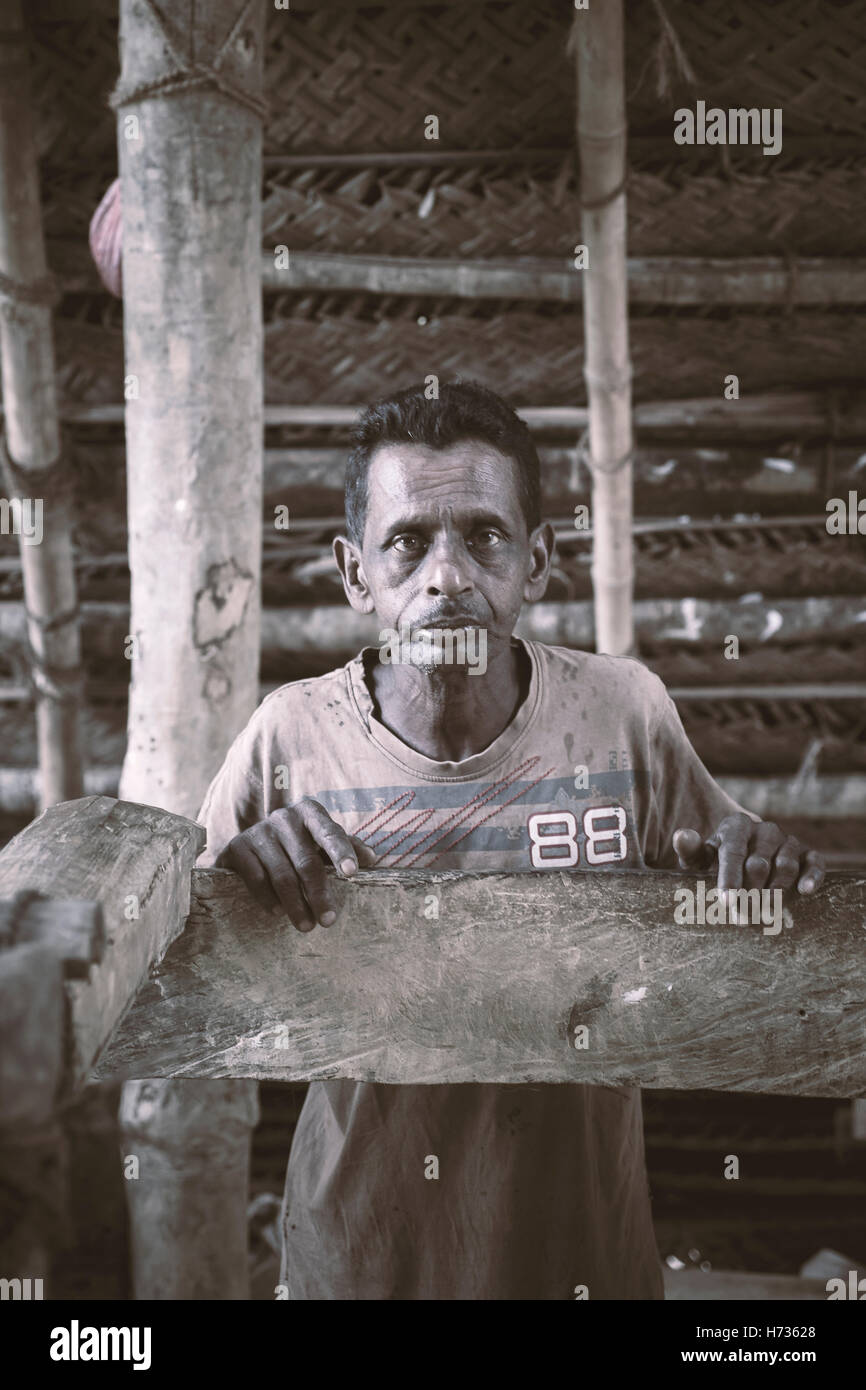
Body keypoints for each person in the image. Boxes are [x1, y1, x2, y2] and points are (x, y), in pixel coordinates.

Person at [197, 380, 825, 1300]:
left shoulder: (622, 716)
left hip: (580, 1256)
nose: (447, 576)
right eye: (407, 543)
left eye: (483, 536)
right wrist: (230, 874)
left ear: (537, 561)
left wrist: (764, 871)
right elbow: (173, 946)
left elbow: (738, 889)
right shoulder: (291, 738)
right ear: (353, 573)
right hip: (363, 1261)